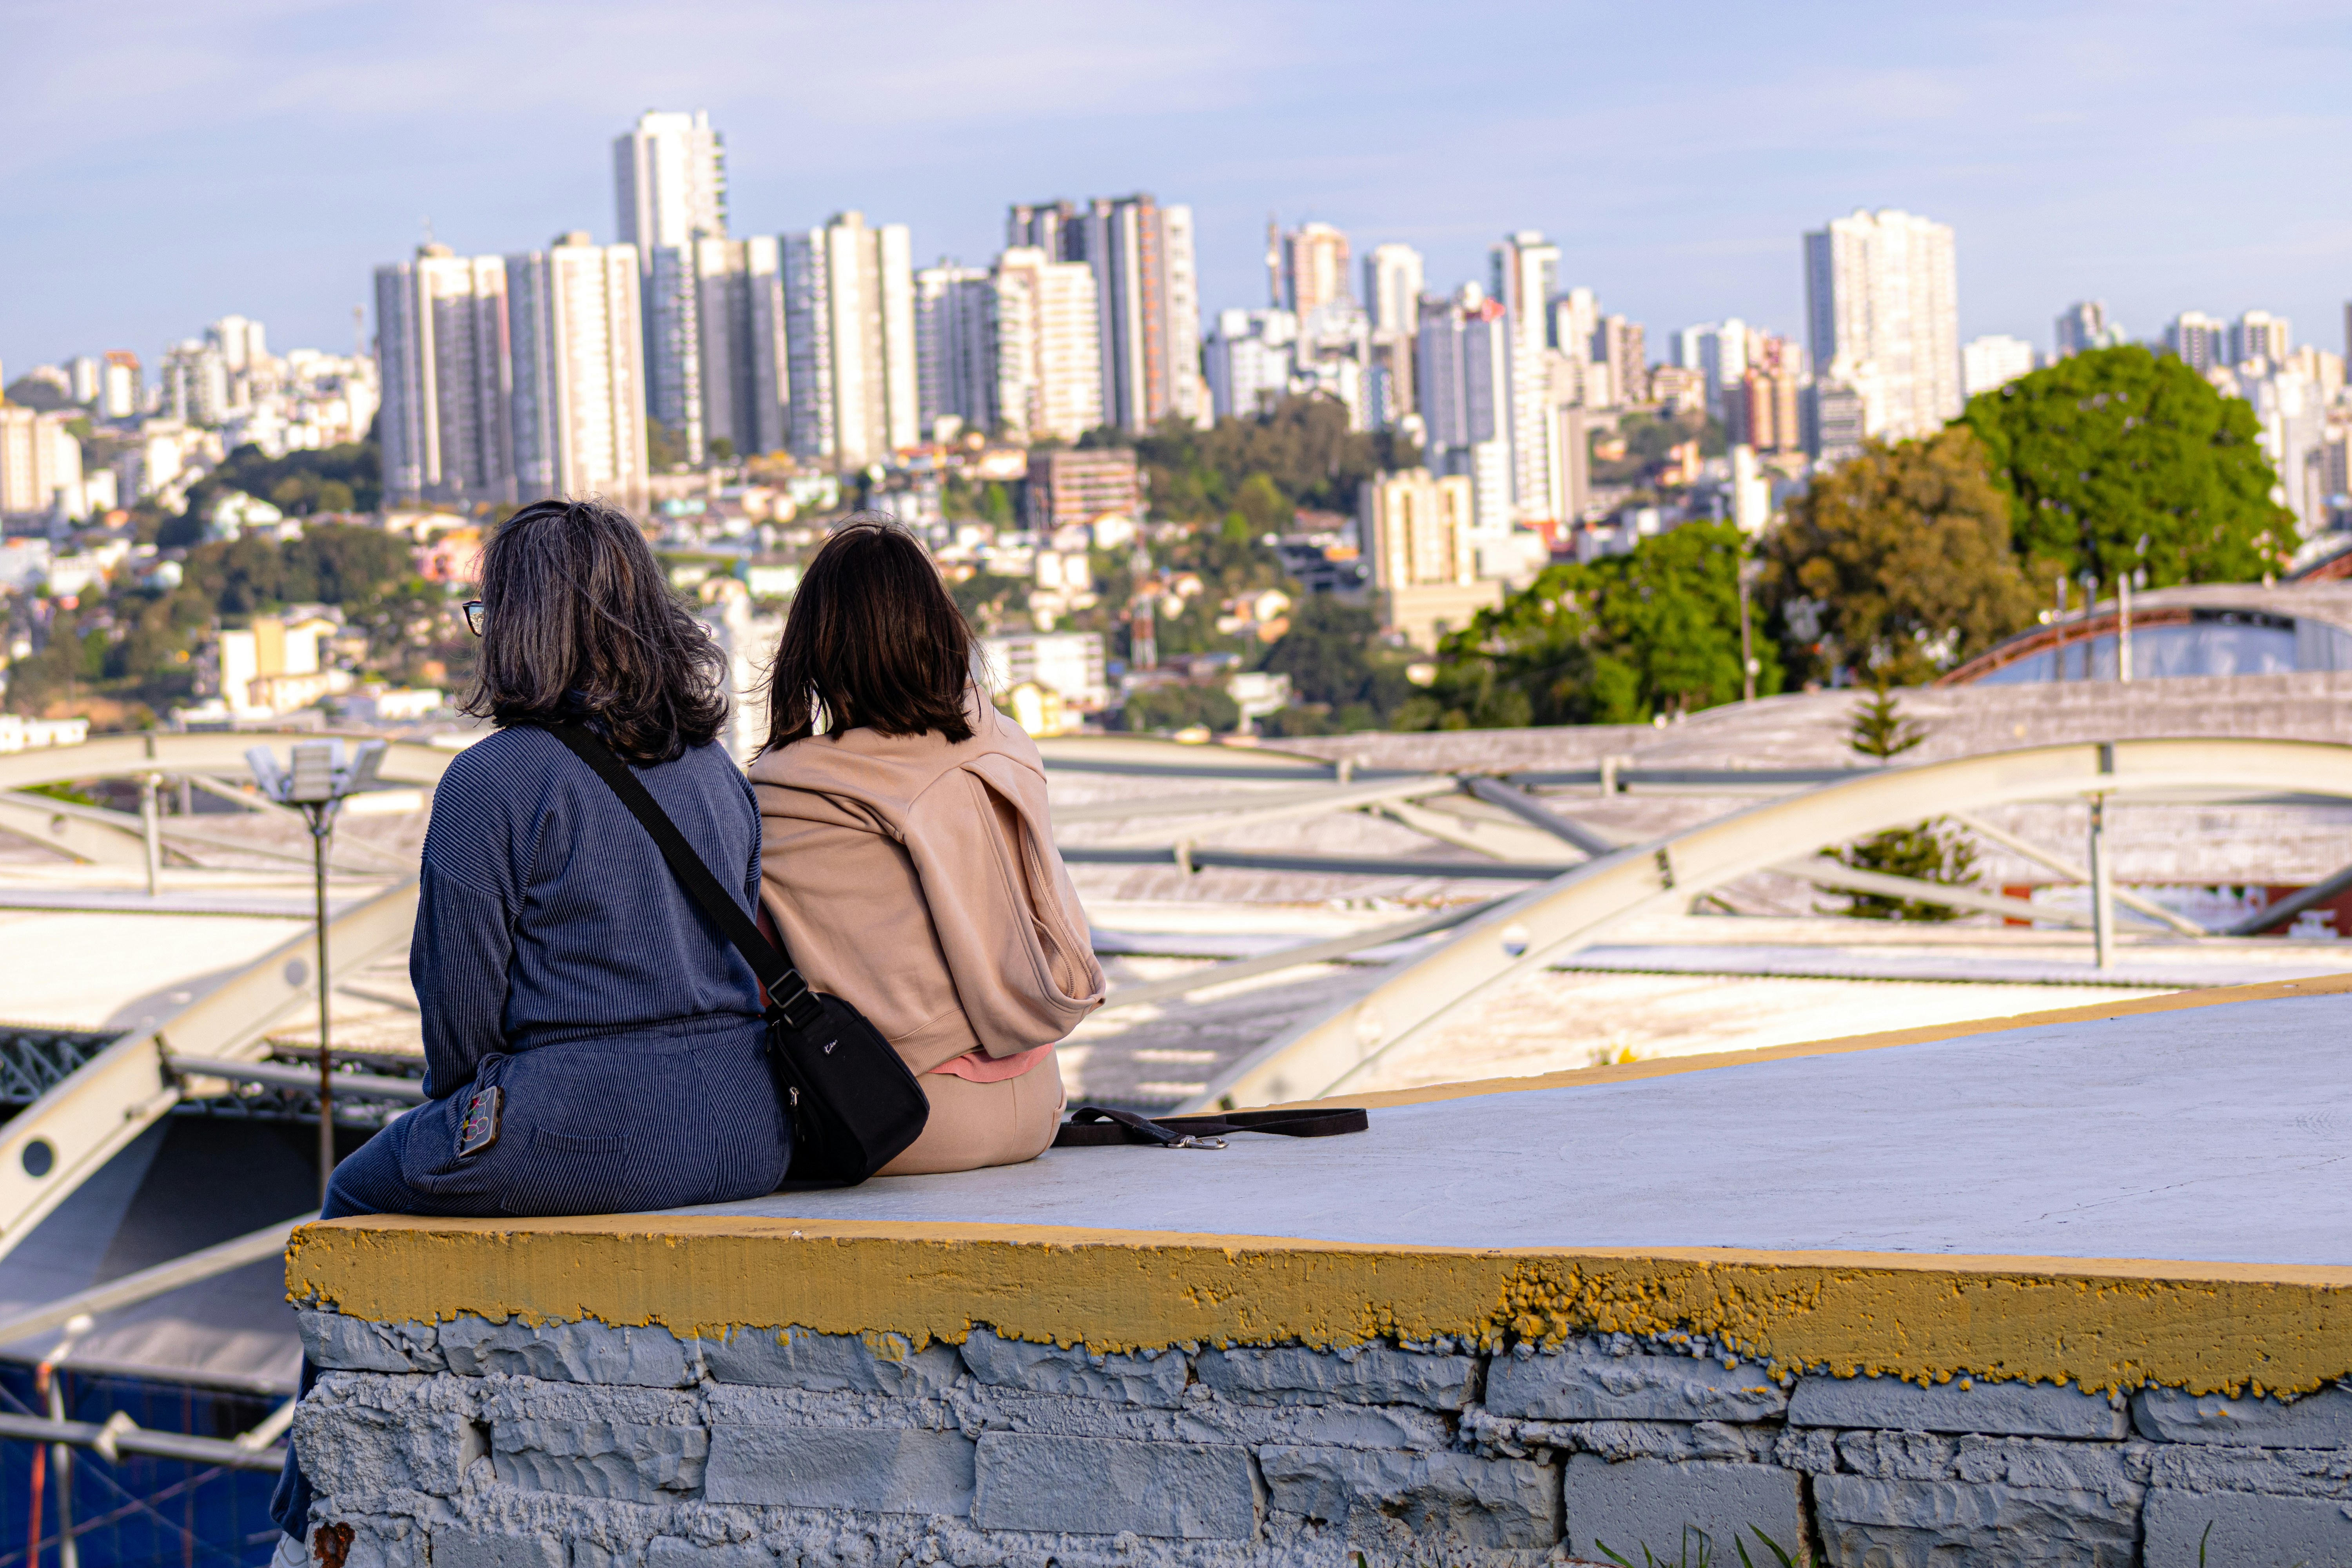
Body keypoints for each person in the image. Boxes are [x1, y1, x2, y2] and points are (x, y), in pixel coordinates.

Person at [270, 497, 790, 1541]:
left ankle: (304, 1507)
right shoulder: (715, 773)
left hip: (583, 1126)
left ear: (512, 625)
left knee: (354, 1192)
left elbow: (458, 1007)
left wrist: (466, 1111)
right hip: (747, 1131)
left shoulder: (493, 783)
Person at [749, 518, 1104, 1174]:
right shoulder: (1007, 748)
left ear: (817, 645)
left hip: (907, 1122)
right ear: (940, 631)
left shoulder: (785, 791)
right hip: (1040, 1103)